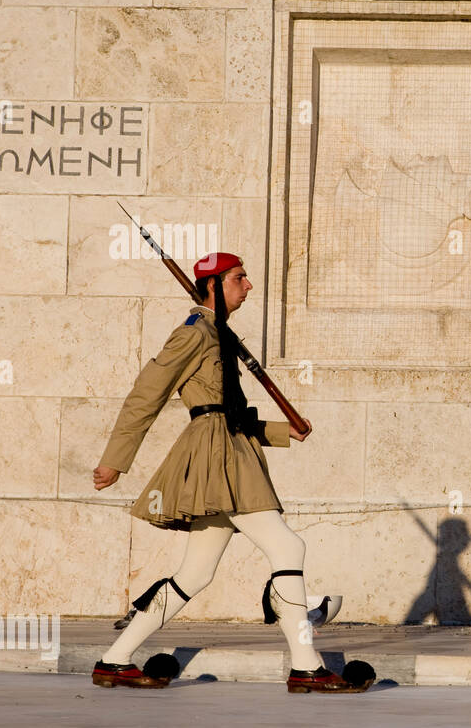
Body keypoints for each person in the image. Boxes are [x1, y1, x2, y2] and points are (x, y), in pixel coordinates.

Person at [91, 252, 370, 693]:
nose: (249, 285)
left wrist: (283, 431)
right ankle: (305, 665)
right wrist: (115, 460)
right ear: (214, 285)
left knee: (195, 574)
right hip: (217, 456)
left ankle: (114, 659)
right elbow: (146, 395)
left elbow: (229, 410)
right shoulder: (194, 333)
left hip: (229, 448)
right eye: (240, 278)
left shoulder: (219, 333)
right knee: (288, 546)